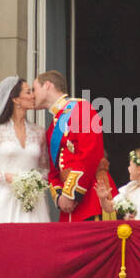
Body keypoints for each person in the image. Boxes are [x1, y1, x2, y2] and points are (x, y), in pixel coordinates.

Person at [0, 76, 51, 223]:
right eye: (28, 92)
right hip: (3, 200)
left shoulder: (39, 132)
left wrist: (34, 182)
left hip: (32, 201)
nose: (33, 96)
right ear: (15, 99)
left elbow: (46, 169)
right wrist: (6, 177)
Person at [33, 70, 106, 222]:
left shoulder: (82, 108)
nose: (33, 95)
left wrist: (70, 194)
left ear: (47, 85)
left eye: (35, 89)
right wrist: (60, 197)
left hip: (89, 200)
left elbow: (90, 154)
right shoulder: (52, 126)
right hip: (68, 208)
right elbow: (53, 171)